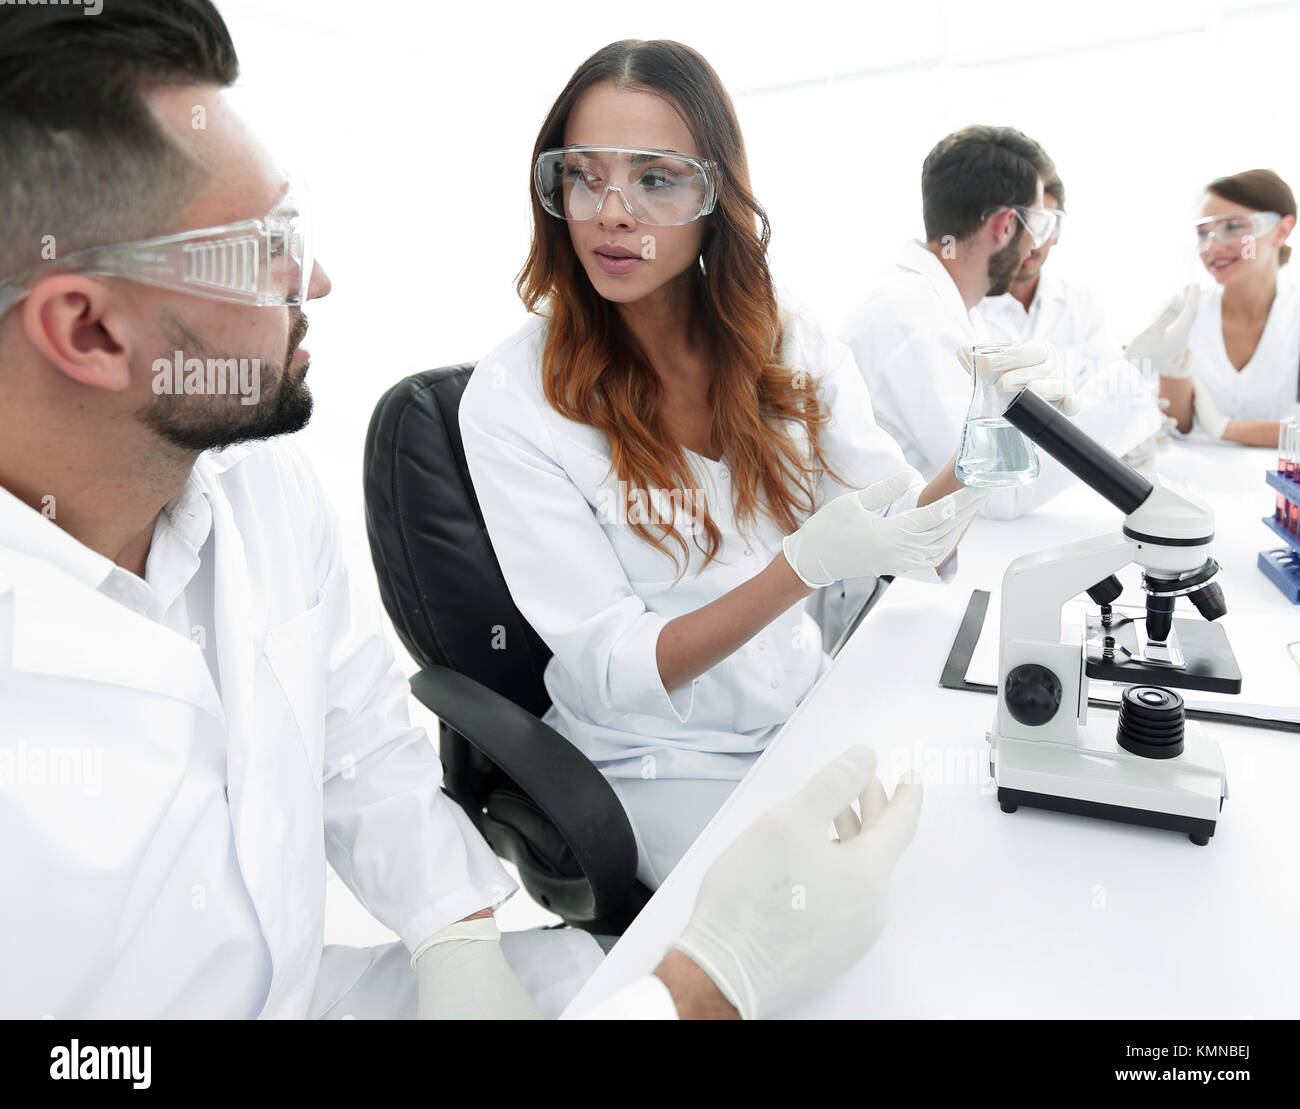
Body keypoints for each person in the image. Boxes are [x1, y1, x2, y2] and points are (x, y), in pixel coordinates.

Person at [0, 1, 924, 1023]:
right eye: (262, 246)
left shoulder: (251, 488)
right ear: (84, 326)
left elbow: (357, 743)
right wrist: (702, 988)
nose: (316, 278)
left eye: (294, 228)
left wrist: (453, 932)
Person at [458, 39, 985, 893]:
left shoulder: (785, 338)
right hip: (653, 764)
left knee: (956, 873)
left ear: (715, 195)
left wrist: (984, 447)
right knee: (820, 919)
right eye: (584, 176)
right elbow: (615, 667)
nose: (612, 212)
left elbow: (900, 530)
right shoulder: (515, 399)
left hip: (801, 718)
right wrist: (797, 569)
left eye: (655, 179)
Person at [840, 127, 1166, 520]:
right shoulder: (916, 320)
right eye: (1038, 226)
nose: (1036, 246)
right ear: (1005, 225)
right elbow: (1000, 488)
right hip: (888, 567)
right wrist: (1131, 378)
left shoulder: (933, 304)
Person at [1155, 169, 1300, 447]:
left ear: (1281, 230)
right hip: (1189, 479)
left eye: (1233, 227)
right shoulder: (1180, 315)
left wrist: (1225, 429)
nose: (1212, 247)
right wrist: (1171, 371)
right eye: (1203, 233)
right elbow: (1175, 425)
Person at [976, 175, 1111, 389]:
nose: (1032, 240)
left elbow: (1105, 394)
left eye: (1043, 225)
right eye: (1023, 223)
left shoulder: (1083, 305)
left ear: (1056, 232)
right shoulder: (969, 306)